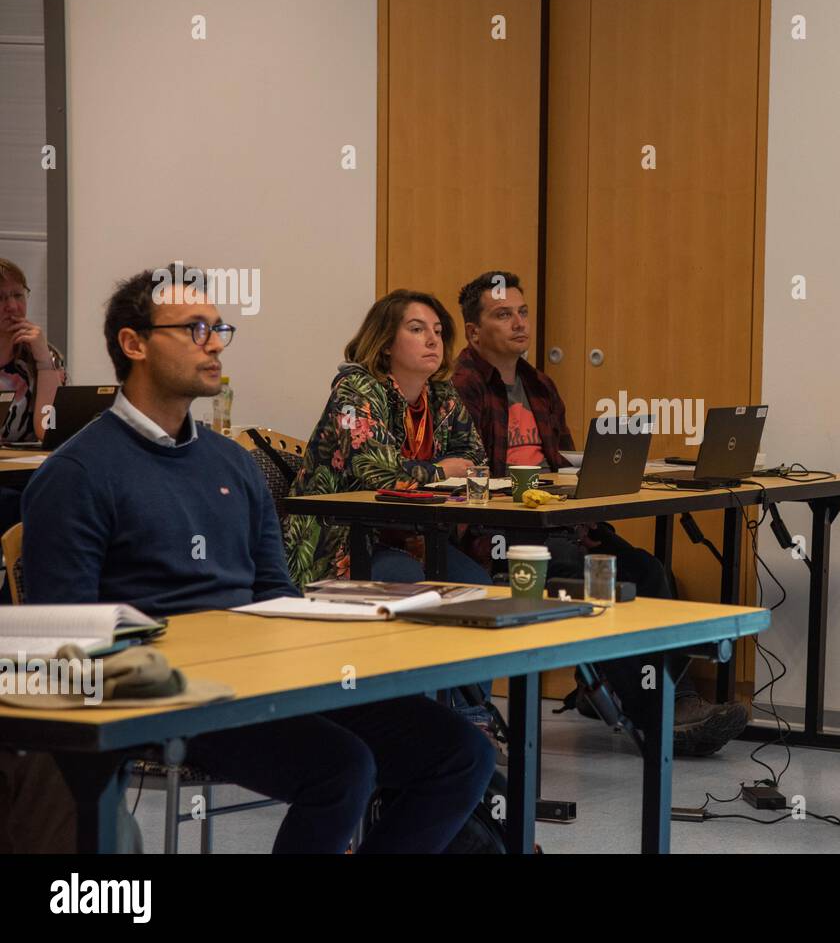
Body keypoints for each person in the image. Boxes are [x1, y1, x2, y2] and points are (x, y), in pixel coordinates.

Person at [21, 267, 494, 852]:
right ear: (133, 344)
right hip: (169, 691)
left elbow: (274, 589)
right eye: (195, 329)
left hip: (261, 672)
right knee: (341, 767)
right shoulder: (78, 474)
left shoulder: (231, 464)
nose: (215, 342)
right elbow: (61, 638)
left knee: (460, 753)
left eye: (218, 328)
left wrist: (347, 627)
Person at [451, 270, 749, 757]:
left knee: (646, 569)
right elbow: (469, 484)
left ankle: (675, 700)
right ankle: (659, 717)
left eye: (523, 312)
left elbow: (563, 464)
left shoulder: (539, 385)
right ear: (474, 331)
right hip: (502, 540)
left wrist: (590, 495)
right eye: (503, 315)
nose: (519, 323)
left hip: (559, 526)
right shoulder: (461, 389)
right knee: (599, 582)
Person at [282, 289, 491, 589]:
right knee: (405, 581)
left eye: (438, 331)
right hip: (341, 541)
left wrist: (421, 470)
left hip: (415, 537)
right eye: (417, 329)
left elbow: (476, 460)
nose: (433, 340)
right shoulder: (354, 391)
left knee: (478, 585)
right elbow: (380, 472)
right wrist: (443, 470)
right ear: (386, 343)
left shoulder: (441, 395)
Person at [0, 258, 66, 602]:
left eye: (18, 295)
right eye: (1, 298)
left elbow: (47, 428)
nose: (12, 307)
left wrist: (43, 361)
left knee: (58, 496)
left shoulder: (41, 355)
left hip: (27, 475)